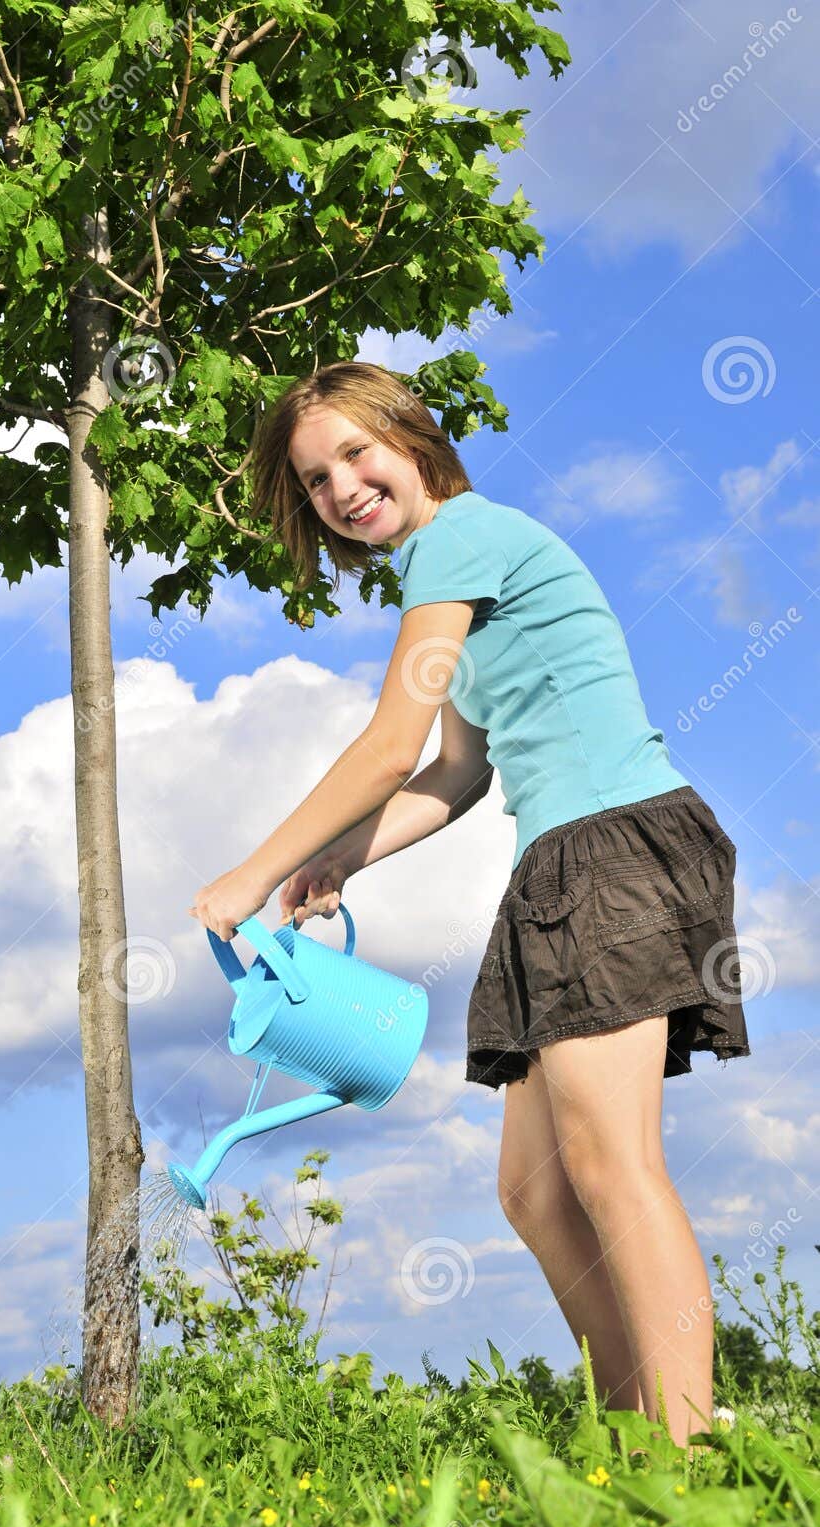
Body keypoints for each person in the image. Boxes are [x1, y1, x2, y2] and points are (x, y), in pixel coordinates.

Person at [187, 361, 750, 1452]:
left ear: (412, 441)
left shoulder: (458, 540)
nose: (342, 488)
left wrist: (253, 872)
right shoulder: (449, 563)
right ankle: (633, 1436)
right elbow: (453, 771)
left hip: (614, 841)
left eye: (357, 453)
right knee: (536, 1192)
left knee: (609, 1166)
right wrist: (343, 860)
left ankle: (689, 1457)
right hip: (556, 860)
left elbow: (391, 741)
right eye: (316, 480)